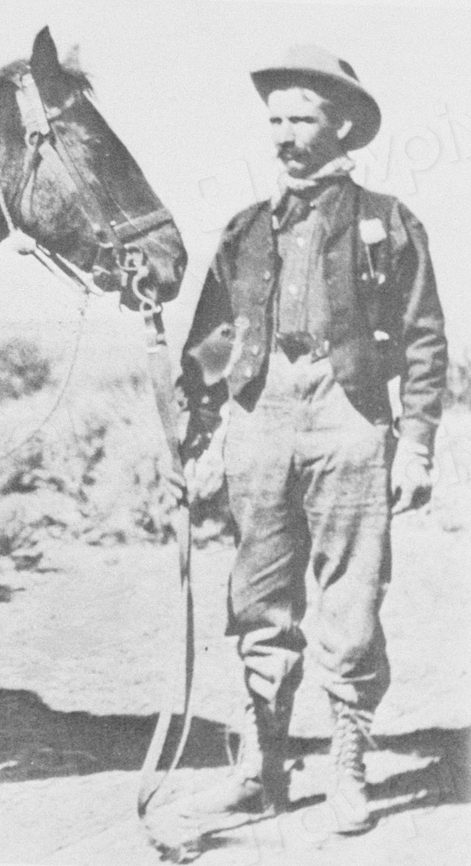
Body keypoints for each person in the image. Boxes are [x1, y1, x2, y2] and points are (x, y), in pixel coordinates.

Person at [168, 44, 447, 838]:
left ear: (344, 126)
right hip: (259, 413)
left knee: (351, 600)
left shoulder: (388, 223)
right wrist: (200, 438)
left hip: (350, 414)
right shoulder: (245, 228)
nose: (285, 134)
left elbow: (426, 343)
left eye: (302, 118)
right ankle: (263, 768)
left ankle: (350, 766)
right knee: (259, 596)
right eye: (276, 120)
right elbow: (209, 341)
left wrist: (419, 445)